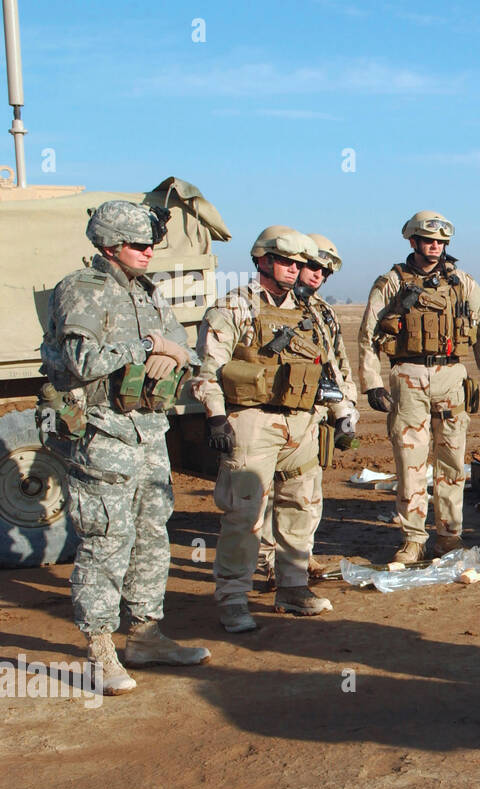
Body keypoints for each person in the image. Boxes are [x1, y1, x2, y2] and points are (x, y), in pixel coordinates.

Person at [43, 200, 210, 693]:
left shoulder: (147, 294)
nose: (148, 253)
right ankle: (99, 648)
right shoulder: (81, 290)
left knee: (152, 535)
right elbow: (81, 359)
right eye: (139, 246)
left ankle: (145, 634)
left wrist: (176, 354)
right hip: (100, 432)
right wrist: (147, 349)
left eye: (151, 245)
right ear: (110, 245)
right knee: (106, 538)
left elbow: (188, 352)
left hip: (149, 431)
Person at [194, 226, 348, 633]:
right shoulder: (234, 307)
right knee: (244, 516)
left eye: (300, 263)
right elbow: (207, 370)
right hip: (252, 422)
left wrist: (341, 411)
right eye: (285, 261)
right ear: (262, 260)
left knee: (301, 506)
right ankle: (232, 598)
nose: (294, 270)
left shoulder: (311, 312)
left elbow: (329, 368)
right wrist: (214, 415)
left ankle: (293, 588)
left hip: (302, 421)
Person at [357, 212, 480, 565]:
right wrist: (372, 384)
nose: (434, 246)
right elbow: (367, 334)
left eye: (440, 242)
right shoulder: (391, 282)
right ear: (413, 242)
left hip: (451, 376)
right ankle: (413, 539)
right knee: (410, 460)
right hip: (407, 376)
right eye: (427, 240)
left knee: (452, 461)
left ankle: (449, 538)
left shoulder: (462, 282)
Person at [256, 233, 359, 589]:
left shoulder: (321, 312)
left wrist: (345, 408)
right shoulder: (262, 306)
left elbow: (337, 364)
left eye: (325, 273)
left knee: (307, 494)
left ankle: (300, 557)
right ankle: (268, 561)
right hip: (270, 415)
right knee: (268, 495)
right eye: (313, 267)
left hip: (311, 413)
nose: (317, 276)